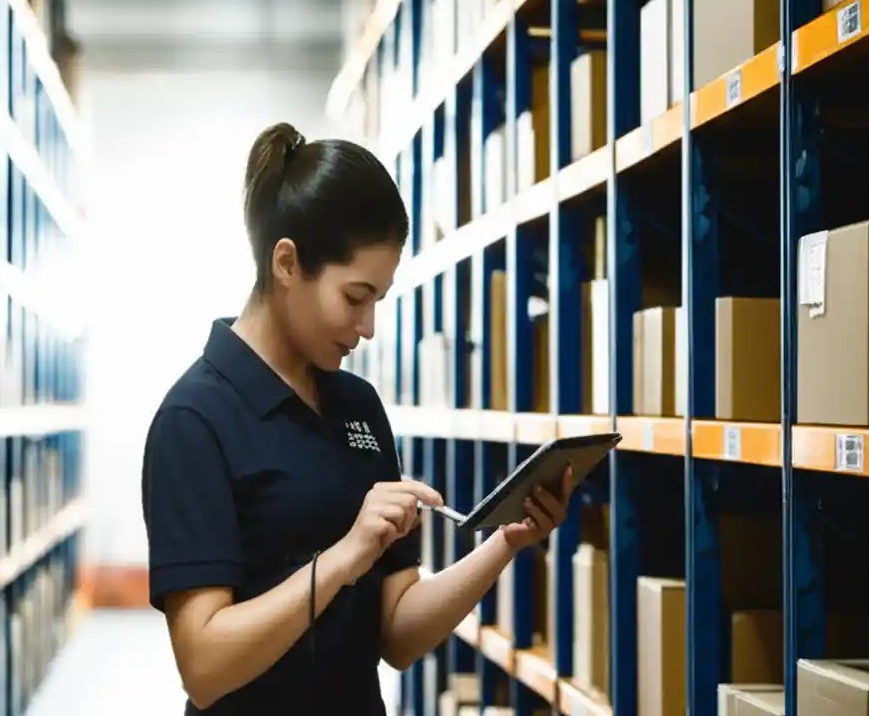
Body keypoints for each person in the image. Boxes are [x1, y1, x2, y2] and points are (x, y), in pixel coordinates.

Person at [140, 122, 573, 715]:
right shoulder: (194, 419)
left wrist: (503, 543)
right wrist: (345, 557)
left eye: (378, 301)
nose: (367, 327)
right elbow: (204, 667)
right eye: (354, 297)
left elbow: (396, 634)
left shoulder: (357, 405)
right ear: (287, 263)